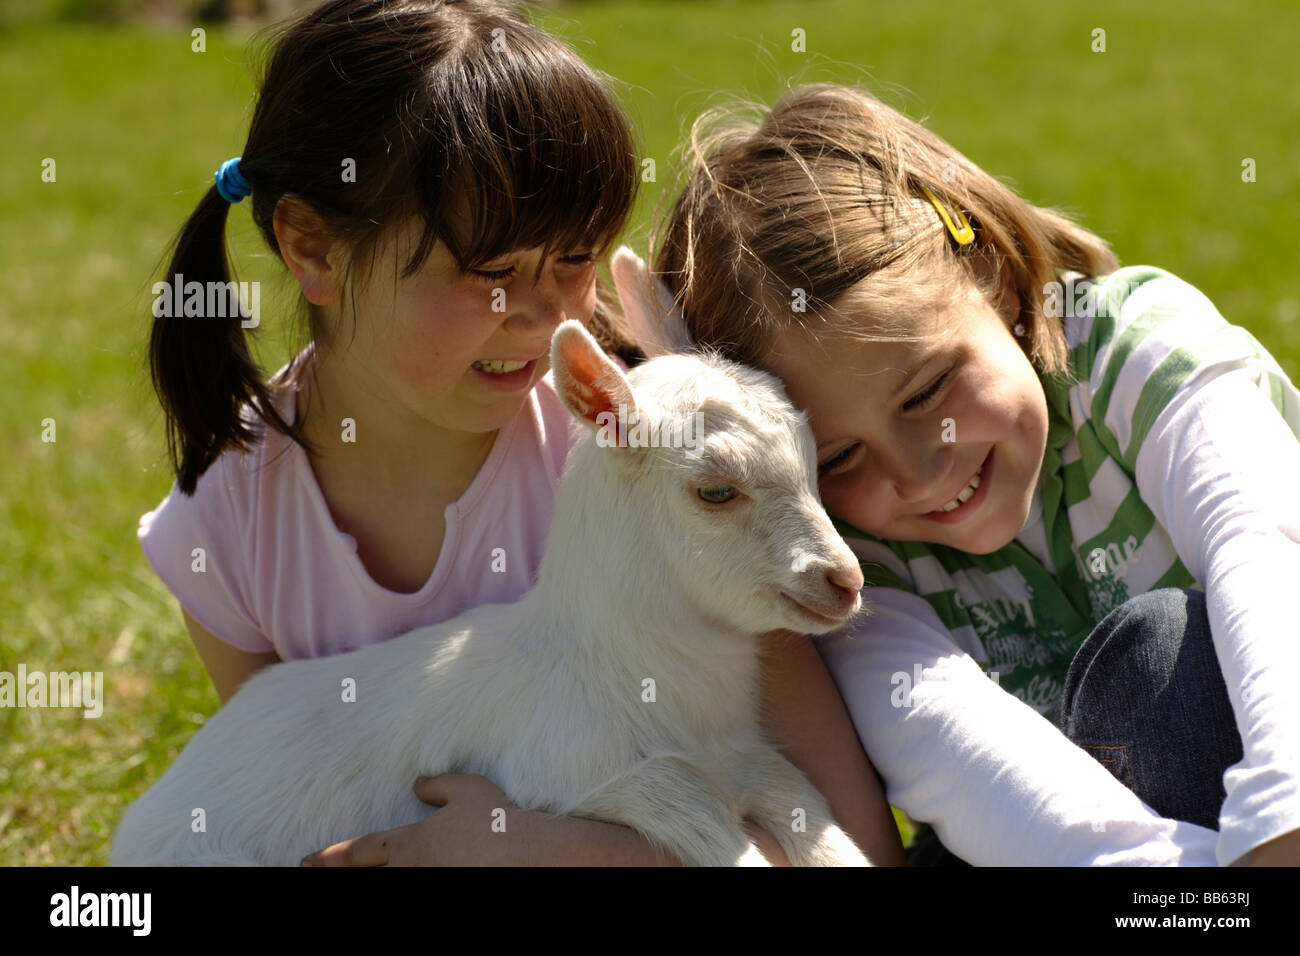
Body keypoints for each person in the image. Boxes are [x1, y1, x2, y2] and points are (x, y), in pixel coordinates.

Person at [139, 1, 903, 865]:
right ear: (313, 250)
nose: (545, 318)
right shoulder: (229, 517)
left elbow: (843, 830)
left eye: (574, 261)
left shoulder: (640, 458)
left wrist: (529, 846)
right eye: (493, 272)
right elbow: (288, 794)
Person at [649, 81, 1300, 866]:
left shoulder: (1127, 343)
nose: (918, 475)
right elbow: (941, 737)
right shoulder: (835, 543)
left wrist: (1280, 818)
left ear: (988, 270)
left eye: (927, 392)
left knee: (1167, 656)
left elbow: (1263, 543)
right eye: (841, 457)